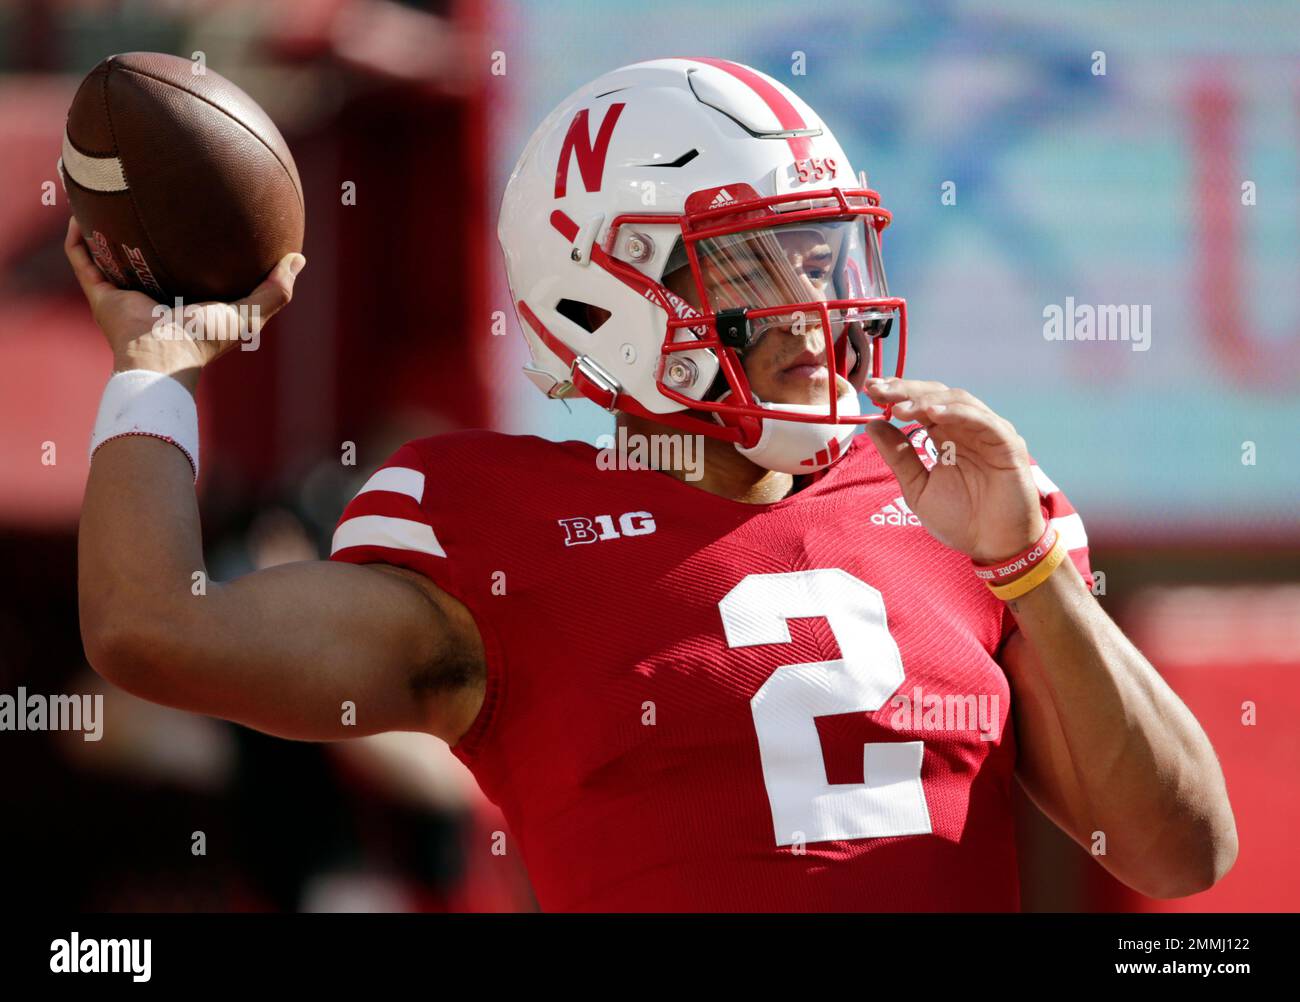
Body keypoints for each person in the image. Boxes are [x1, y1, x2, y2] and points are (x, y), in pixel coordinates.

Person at [73, 57, 1236, 911]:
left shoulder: (961, 497)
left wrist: (1030, 574)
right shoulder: (493, 523)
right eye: (750, 263)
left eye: (824, 253)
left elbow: (1183, 856)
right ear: (601, 301)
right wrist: (153, 371)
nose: (815, 306)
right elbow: (156, 630)